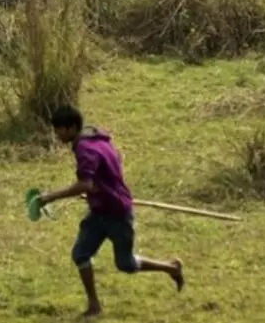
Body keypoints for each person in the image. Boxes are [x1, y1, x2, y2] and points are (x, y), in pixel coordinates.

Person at [36, 105, 185, 318]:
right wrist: (98, 189)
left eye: (59, 130)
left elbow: (84, 183)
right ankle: (94, 305)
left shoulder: (85, 149)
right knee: (81, 254)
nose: (57, 135)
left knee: (126, 264)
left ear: (70, 128)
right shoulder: (96, 139)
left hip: (117, 213)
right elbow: (112, 163)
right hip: (99, 211)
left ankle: (171, 267)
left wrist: (51, 196)